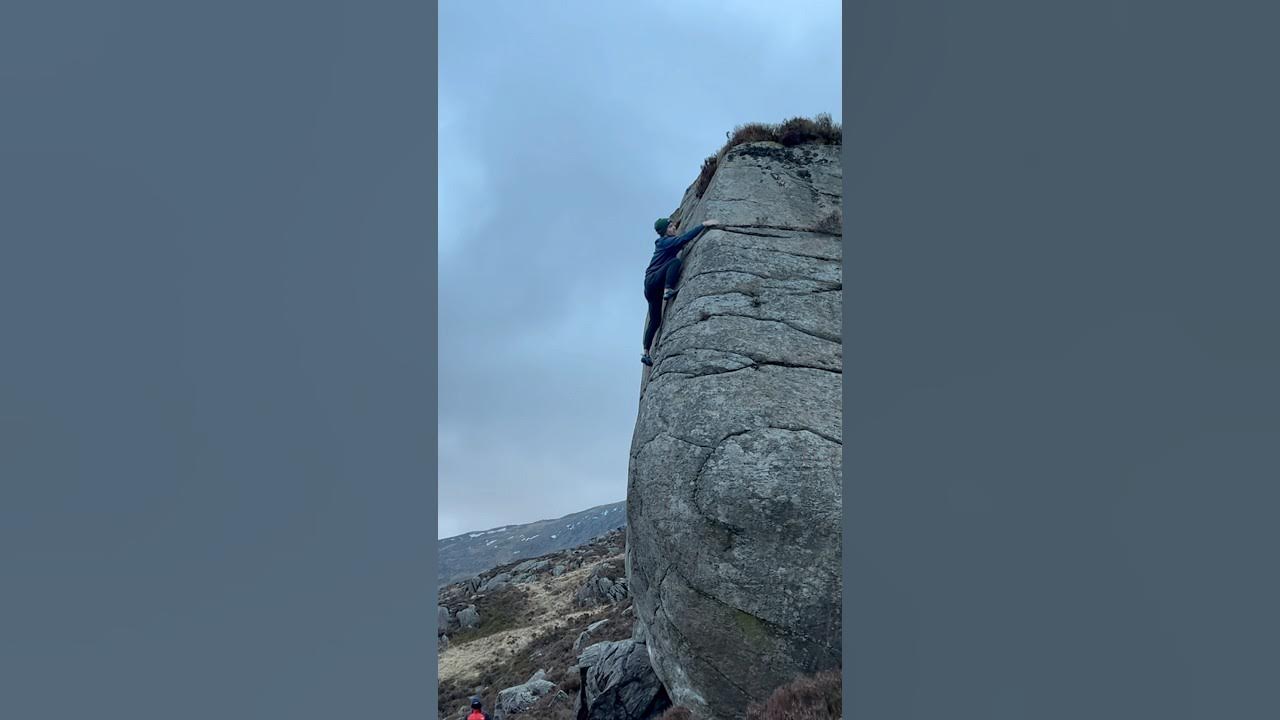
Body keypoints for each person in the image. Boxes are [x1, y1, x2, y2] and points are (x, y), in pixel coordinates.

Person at [641, 217, 719, 366]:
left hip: (650, 288)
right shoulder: (665, 242)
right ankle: (668, 290)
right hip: (654, 281)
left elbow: (677, 238)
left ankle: (645, 353)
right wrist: (703, 225)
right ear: (665, 232)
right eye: (670, 227)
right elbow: (682, 239)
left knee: (655, 320)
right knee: (675, 262)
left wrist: (676, 223)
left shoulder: (665, 241)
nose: (673, 228)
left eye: (673, 226)